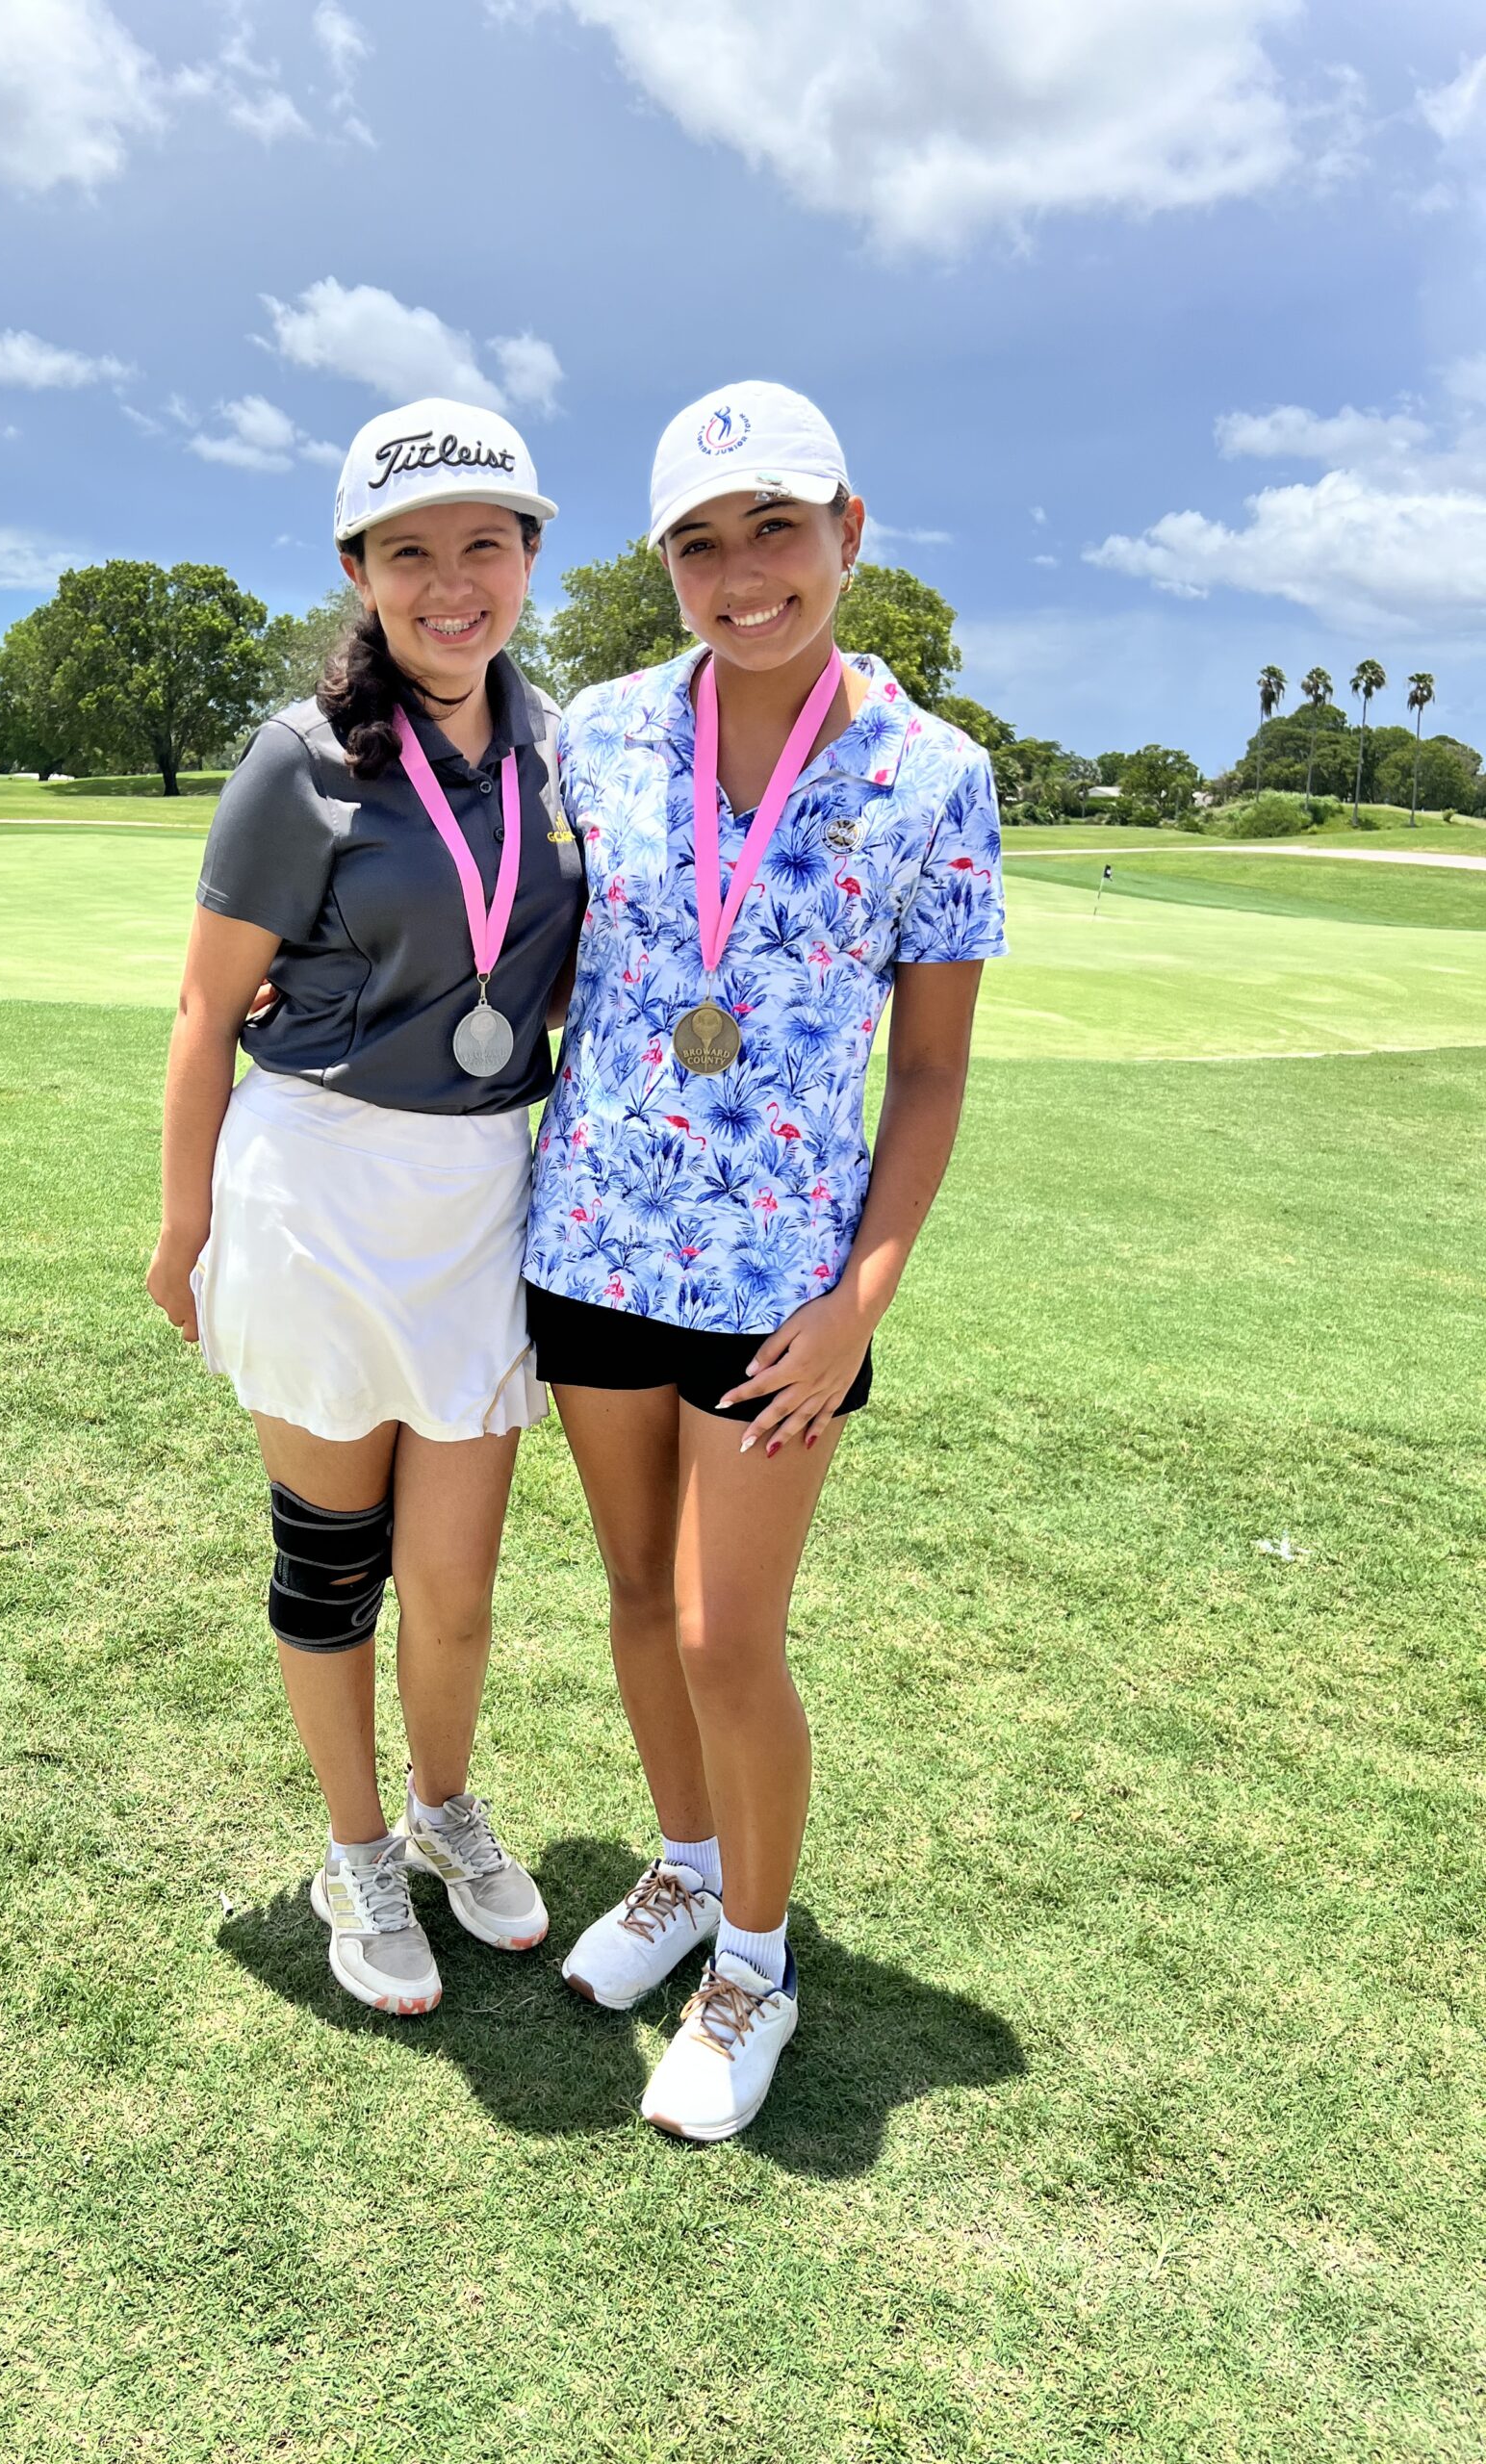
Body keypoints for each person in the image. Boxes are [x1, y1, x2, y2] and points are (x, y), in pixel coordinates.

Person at [524, 381, 1006, 2139]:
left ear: (847, 532)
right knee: (633, 1595)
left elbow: (931, 1072)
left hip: (782, 1293)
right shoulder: (599, 733)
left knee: (729, 1634)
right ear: (664, 563)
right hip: (592, 1240)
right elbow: (523, 943)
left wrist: (860, 1303)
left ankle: (753, 1964)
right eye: (702, 544)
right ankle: (684, 1865)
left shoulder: (935, 775)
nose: (743, 576)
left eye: (777, 529)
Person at [148, 398, 584, 2017]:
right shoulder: (299, 757)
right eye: (411, 553)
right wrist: (182, 1228)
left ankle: (443, 1811)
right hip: (319, 1182)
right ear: (359, 569)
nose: (450, 584)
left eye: (484, 546)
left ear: (529, 559)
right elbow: (208, 1008)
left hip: (482, 1192)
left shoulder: (565, 748)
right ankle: (356, 1853)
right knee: (335, 1564)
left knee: (456, 1583)